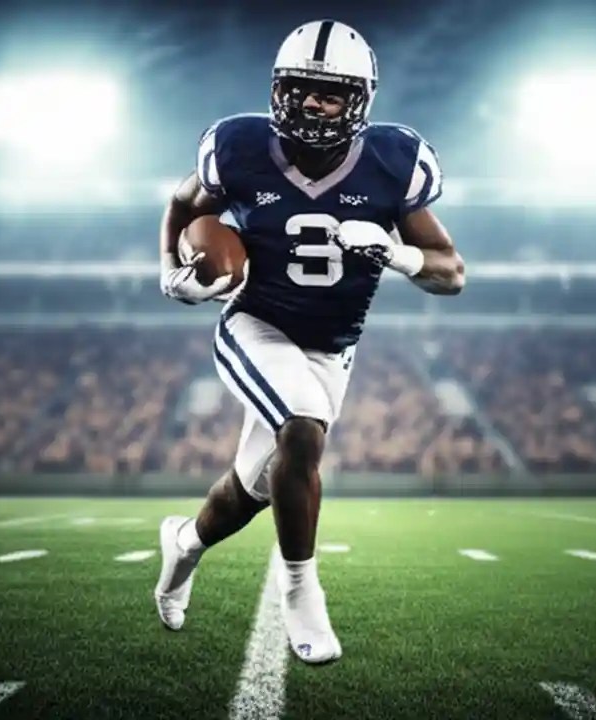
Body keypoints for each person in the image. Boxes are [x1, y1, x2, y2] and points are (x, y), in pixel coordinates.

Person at [153, 18, 465, 665]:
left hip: (332, 347)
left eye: (331, 94)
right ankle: (301, 590)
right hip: (255, 322)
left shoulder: (393, 161)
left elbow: (451, 273)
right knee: (301, 430)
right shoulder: (238, 147)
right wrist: (169, 270)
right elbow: (184, 205)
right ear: (278, 89)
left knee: (250, 491)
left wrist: (399, 255)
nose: (313, 104)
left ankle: (183, 545)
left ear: (360, 101)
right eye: (301, 89)